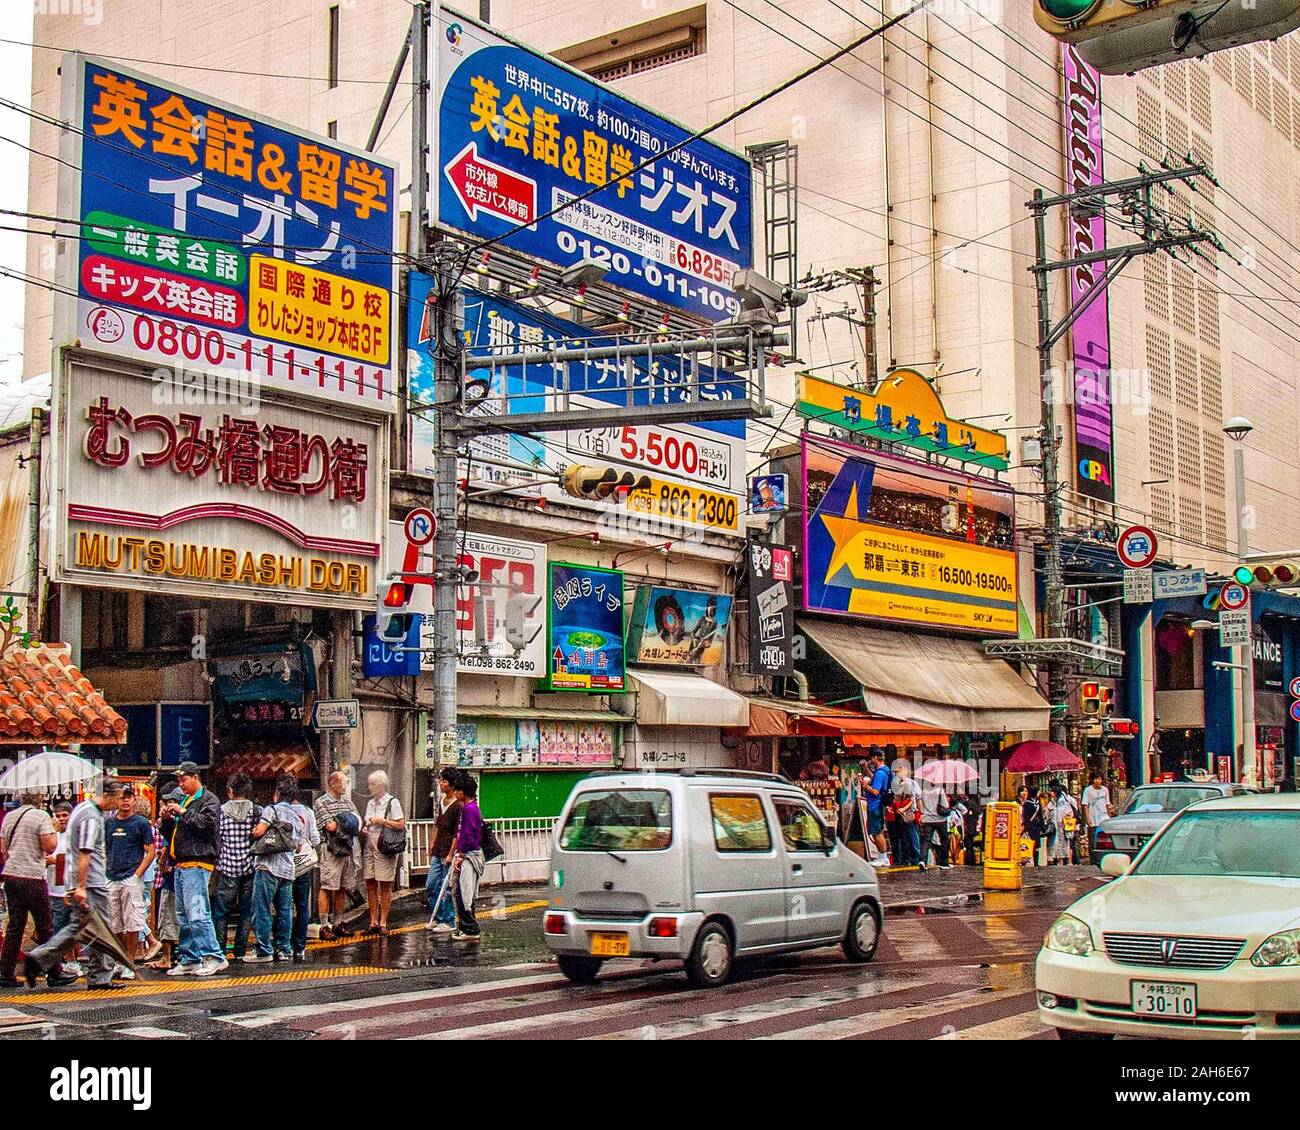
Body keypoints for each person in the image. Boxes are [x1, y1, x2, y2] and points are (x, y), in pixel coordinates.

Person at [24, 779, 126, 990]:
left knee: (88, 927)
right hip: (91, 881)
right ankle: (39, 958)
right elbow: (85, 852)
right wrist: (81, 886)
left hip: (83, 880)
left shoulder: (84, 810)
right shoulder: (91, 816)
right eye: (116, 799)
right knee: (89, 927)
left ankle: (99, 975)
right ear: (106, 795)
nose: (117, 804)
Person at [1, 792, 74, 988]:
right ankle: (54, 972)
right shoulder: (40, 816)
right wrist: (54, 831)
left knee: (15, 926)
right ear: (39, 800)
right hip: (32, 876)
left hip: (11, 874)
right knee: (45, 924)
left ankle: (6, 972)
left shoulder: (9, 817)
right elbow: (50, 847)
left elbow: (3, 848)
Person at [161, 761, 225, 976]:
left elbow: (206, 825)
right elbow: (174, 833)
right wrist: (167, 820)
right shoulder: (187, 800)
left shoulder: (209, 800)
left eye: (184, 779)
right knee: (183, 915)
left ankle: (213, 955)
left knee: (197, 913)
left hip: (198, 862)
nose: (181, 784)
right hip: (181, 863)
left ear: (195, 777)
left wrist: (182, 811)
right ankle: (190, 957)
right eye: (179, 780)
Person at [246, 777, 310, 963]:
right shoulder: (298, 818)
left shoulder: (271, 810)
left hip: (268, 866)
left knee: (263, 908)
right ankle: (283, 949)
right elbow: (298, 847)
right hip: (288, 869)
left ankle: (264, 950)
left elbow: (259, 832)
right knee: (284, 910)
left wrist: (254, 831)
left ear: (277, 793)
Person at [104, 784, 155, 975]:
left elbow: (150, 850)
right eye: (122, 797)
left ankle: (130, 962)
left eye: (129, 797)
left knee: (133, 921)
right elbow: (104, 849)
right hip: (111, 877)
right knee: (115, 922)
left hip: (131, 877)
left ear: (134, 800)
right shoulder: (108, 824)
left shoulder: (141, 823)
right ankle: (120, 959)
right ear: (116, 800)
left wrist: (137, 874)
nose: (125, 800)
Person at [212, 772, 258, 962]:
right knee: (246, 911)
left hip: (227, 867)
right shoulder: (257, 811)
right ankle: (240, 951)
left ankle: (220, 950)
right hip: (249, 868)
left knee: (221, 912)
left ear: (230, 791)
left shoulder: (221, 812)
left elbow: (217, 839)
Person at [314, 770, 359, 940]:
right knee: (327, 886)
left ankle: (338, 923)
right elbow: (330, 827)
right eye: (343, 782)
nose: (345, 786)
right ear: (333, 783)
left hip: (346, 848)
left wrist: (343, 822)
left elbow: (357, 821)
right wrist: (346, 823)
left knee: (342, 886)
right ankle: (324, 926)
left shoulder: (348, 802)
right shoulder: (321, 802)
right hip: (331, 849)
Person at [361, 770, 404, 935]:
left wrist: (383, 821)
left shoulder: (392, 802)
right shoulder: (370, 803)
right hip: (370, 844)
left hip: (385, 846)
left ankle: (383, 922)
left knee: (385, 884)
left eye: (372, 784)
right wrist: (367, 826)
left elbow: (401, 824)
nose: (369, 787)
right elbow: (367, 820)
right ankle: (373, 922)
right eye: (369, 783)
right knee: (370, 883)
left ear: (381, 785)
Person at [425, 767, 464, 934]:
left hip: (449, 851)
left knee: (445, 887)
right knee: (431, 885)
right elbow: (438, 825)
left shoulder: (458, 805)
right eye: (441, 780)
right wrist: (432, 842)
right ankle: (438, 916)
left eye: (444, 781)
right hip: (438, 849)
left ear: (452, 784)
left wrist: (451, 853)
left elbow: (457, 832)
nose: (441, 784)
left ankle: (448, 919)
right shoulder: (442, 802)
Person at [286, 780, 320, 962]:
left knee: (284, 905)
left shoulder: (279, 811)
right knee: (302, 905)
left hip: (283, 863)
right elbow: (315, 839)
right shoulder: (308, 812)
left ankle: (285, 943)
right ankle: (300, 946)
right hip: (303, 865)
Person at [149, 790, 182, 971]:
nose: (163, 809)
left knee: (168, 915)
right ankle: (173, 955)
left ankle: (168, 956)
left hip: (174, 874)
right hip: (172, 873)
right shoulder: (167, 823)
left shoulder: (181, 821)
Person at [450, 773, 484, 942]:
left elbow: (468, 836)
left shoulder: (469, 810)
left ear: (464, 792)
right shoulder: (472, 808)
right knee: (464, 892)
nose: (455, 793)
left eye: (458, 790)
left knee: (464, 893)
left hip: (468, 856)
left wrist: (460, 856)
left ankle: (470, 928)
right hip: (470, 855)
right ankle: (466, 926)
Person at [889, 765, 922, 867]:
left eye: (899, 772)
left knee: (912, 836)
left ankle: (915, 859)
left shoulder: (908, 784)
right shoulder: (896, 785)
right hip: (899, 814)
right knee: (904, 837)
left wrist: (921, 813)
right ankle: (905, 859)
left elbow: (914, 800)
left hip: (908, 814)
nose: (897, 774)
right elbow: (896, 799)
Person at [918, 776, 952, 871]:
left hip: (927, 819)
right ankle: (944, 863)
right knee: (944, 840)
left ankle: (922, 861)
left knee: (926, 841)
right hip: (940, 820)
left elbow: (921, 804)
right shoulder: (940, 791)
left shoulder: (923, 792)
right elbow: (945, 805)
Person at [863, 753, 893, 858]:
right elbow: (875, 779)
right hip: (880, 805)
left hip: (875, 805)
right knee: (877, 831)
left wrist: (865, 786)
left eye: (872, 758)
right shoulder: (886, 770)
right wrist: (866, 768)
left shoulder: (880, 773)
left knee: (877, 833)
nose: (871, 760)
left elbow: (875, 791)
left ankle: (883, 857)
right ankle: (882, 857)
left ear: (875, 758)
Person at [1047, 781, 1079, 866]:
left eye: (1052, 791)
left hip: (1063, 827)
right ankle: (1059, 860)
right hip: (1055, 828)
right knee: (1057, 845)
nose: (1051, 793)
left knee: (1065, 844)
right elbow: (1048, 813)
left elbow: (1070, 814)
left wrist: (1066, 818)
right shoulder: (1052, 802)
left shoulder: (1065, 803)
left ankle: (1068, 861)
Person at [1082, 773, 1113, 853]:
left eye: (1099, 779)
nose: (1097, 781)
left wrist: (1109, 816)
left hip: (1103, 817)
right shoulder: (1088, 790)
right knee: (1092, 838)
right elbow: (1085, 805)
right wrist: (1087, 818)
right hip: (1093, 818)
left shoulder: (1105, 790)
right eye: (1096, 779)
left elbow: (1107, 803)